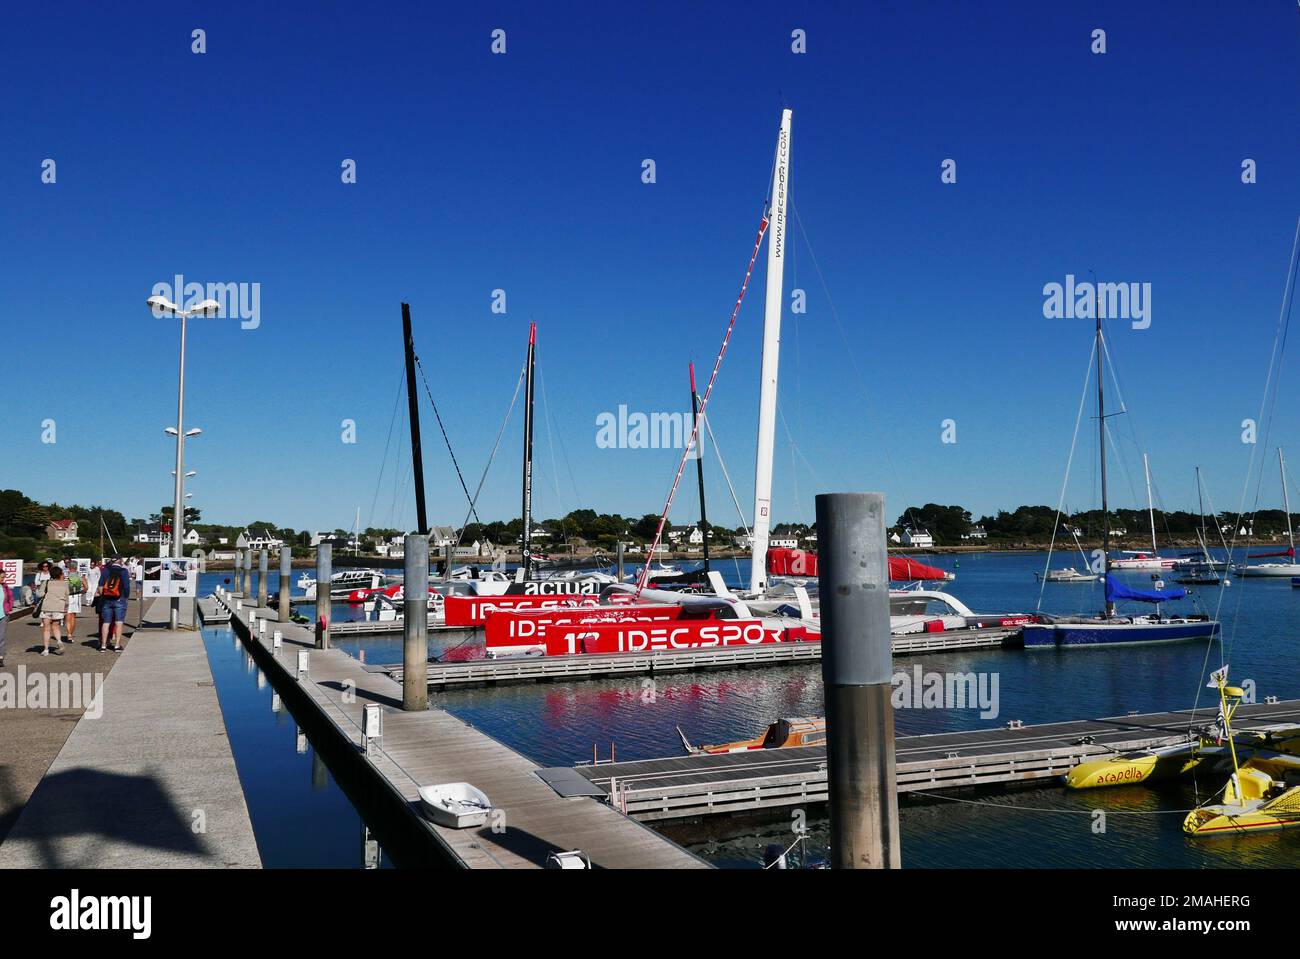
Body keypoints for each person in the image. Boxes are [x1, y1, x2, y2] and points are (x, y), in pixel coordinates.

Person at [96, 557, 130, 652]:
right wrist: (126, 597)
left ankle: (103, 645)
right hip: (120, 598)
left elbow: (100, 585)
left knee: (106, 622)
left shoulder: (105, 570)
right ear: (121, 561)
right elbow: (127, 586)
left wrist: (104, 596)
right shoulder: (124, 571)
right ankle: (117, 645)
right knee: (118, 622)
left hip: (106, 599)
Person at [37, 566, 70, 656]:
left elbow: (39, 594)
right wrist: (66, 609)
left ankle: (46, 650)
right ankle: (59, 641)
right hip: (59, 607)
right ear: (60, 574)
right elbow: (67, 598)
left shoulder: (46, 582)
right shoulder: (65, 584)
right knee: (56, 627)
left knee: (46, 629)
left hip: (47, 607)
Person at [64, 562, 85, 643]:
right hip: (77, 597)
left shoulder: (65, 575)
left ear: (69, 567)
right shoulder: (80, 575)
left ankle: (69, 634)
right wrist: (82, 593)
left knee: (67, 616)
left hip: (67, 596)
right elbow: (86, 587)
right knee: (73, 616)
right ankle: (70, 635)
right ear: (76, 567)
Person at [0, 579, 12, 667]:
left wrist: (9, 607)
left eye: (3, 577)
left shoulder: (5, 586)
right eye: (1, 577)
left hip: (3, 615)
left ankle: (1, 658)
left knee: (1, 638)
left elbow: (10, 597)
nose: (2, 579)